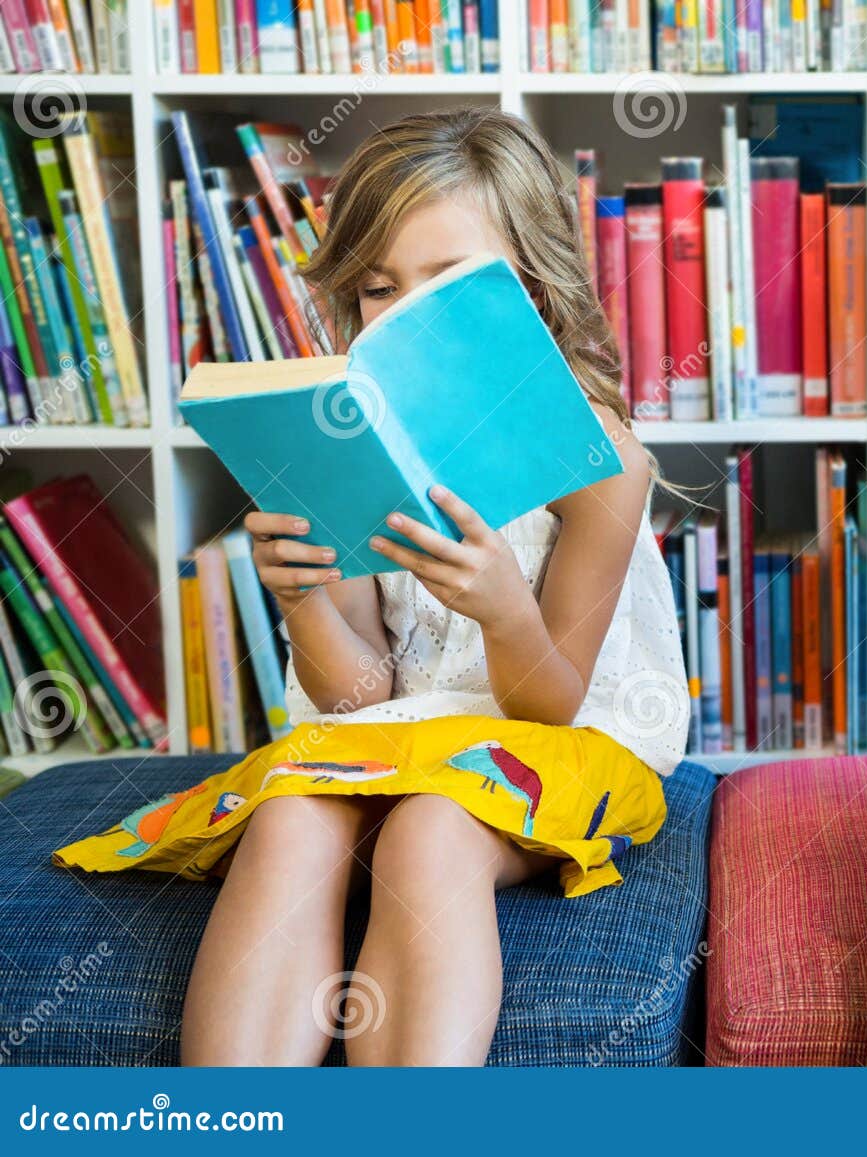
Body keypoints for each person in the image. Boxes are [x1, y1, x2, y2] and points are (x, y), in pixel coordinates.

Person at [53, 108, 691, 1067]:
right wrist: (302, 595)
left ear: (538, 295)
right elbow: (361, 696)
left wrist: (501, 607)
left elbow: (550, 704)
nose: (400, 320)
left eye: (448, 286)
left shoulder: (598, 465)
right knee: (287, 822)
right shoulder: (352, 437)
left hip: (560, 738)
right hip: (394, 732)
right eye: (378, 291)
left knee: (433, 832)